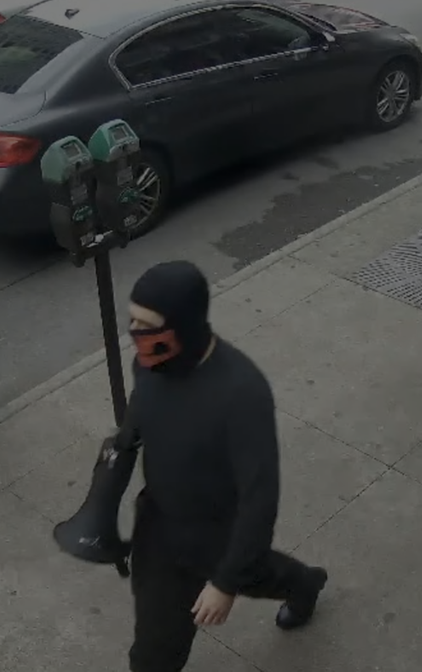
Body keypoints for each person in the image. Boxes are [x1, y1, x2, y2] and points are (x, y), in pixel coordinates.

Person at [123, 260, 328, 672]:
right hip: (159, 528)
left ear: (182, 325)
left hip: (216, 532)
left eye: (147, 325)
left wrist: (224, 582)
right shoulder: (148, 364)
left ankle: (304, 584)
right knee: (153, 653)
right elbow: (137, 422)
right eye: (132, 320)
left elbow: (260, 497)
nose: (135, 335)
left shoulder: (242, 392)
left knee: (258, 573)